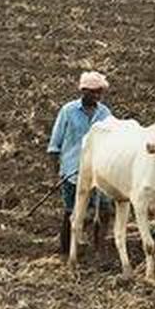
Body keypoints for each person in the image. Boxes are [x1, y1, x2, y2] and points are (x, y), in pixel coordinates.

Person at [48, 70, 113, 255]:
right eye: (94, 92)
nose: (98, 95)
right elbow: (54, 145)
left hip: (99, 172)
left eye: (100, 92)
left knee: (104, 209)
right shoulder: (68, 111)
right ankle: (65, 249)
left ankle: (99, 248)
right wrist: (56, 173)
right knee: (72, 211)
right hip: (72, 172)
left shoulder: (105, 113)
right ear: (84, 91)